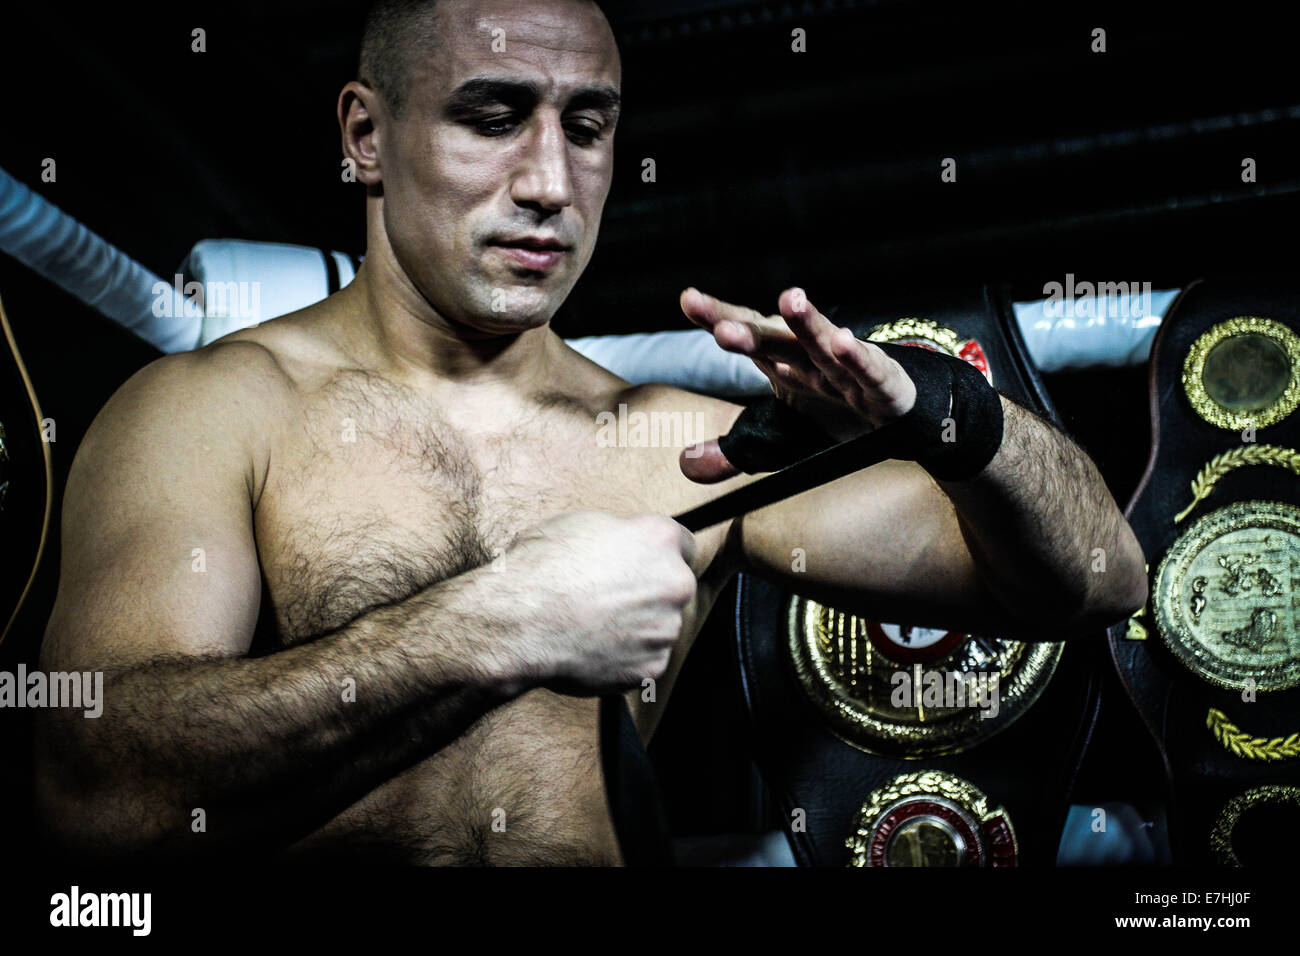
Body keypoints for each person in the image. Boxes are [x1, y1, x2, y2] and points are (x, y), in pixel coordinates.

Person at [33, 0, 1146, 865]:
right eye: (493, 116)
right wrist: (495, 623)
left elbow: (1095, 577)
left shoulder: (680, 442)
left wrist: (948, 411)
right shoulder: (212, 409)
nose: (551, 183)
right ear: (366, 137)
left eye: (588, 127)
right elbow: (93, 791)